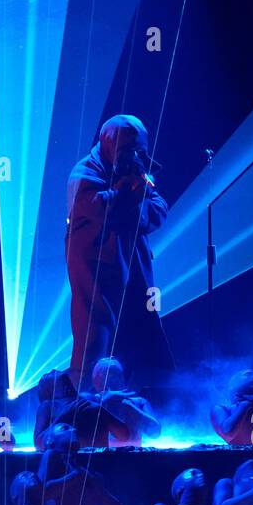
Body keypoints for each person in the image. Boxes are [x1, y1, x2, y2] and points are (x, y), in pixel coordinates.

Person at [65, 114, 168, 384]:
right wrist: (131, 195)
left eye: (137, 150)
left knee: (142, 332)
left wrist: (132, 202)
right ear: (110, 143)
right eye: (126, 150)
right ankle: (86, 399)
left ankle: (140, 394)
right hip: (97, 274)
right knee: (95, 337)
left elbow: (159, 209)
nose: (132, 156)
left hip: (133, 269)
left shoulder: (136, 170)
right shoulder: (84, 174)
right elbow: (101, 209)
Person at [91, 357, 162, 447]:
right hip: (105, 455)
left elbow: (156, 433)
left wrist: (131, 408)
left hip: (135, 455)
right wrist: (105, 400)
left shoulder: (139, 402)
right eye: (108, 376)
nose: (115, 380)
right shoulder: (93, 401)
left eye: (117, 375)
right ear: (99, 381)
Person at [210, 369, 253, 446]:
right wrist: (245, 405)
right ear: (233, 384)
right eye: (248, 374)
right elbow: (228, 433)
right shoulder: (220, 410)